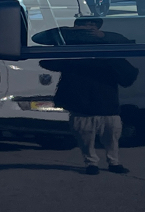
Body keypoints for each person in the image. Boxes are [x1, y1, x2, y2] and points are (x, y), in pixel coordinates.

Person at [38, 18, 138, 174]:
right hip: (81, 104)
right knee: (85, 136)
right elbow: (41, 43)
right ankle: (91, 163)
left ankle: (114, 161)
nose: (89, 28)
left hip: (107, 104)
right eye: (85, 25)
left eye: (93, 25)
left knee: (112, 135)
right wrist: (70, 33)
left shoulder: (109, 46)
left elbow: (128, 68)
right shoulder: (68, 46)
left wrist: (102, 37)